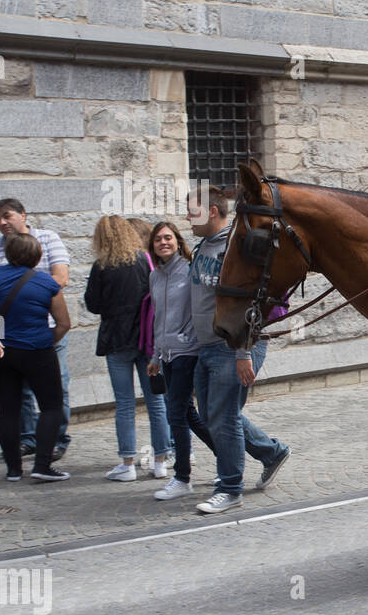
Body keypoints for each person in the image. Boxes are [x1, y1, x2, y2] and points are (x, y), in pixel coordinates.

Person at [188, 190, 291, 515]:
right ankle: (271, 452)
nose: (188, 218)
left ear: (212, 211)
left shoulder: (235, 248)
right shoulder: (202, 246)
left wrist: (243, 351)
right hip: (207, 346)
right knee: (212, 415)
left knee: (223, 417)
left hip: (234, 345)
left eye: (193, 212)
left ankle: (230, 488)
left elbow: (253, 299)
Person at [0, 233, 71, 482]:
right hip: (38, 351)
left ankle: (13, 469)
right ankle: (42, 465)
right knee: (51, 406)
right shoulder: (46, 283)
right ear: (38, 256)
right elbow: (63, 323)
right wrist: (46, 342)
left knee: (7, 410)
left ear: (8, 253)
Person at [0, 199, 72, 460]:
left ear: (23, 215)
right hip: (8, 333)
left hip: (46, 327)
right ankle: (27, 439)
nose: (2, 222)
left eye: (6, 216)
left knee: (57, 386)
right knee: (18, 393)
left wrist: (25, 290)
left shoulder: (47, 238)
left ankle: (56, 439)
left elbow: (60, 278)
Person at [85, 215, 173, 482]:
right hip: (147, 341)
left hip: (117, 341)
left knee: (124, 404)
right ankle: (160, 462)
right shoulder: (145, 262)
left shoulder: (101, 267)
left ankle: (127, 464)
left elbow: (93, 305)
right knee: (156, 402)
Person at [145, 220, 217, 501]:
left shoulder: (190, 269)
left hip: (188, 352)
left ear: (177, 241)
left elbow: (202, 307)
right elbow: (158, 318)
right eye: (157, 239)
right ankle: (226, 460)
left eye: (168, 238)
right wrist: (154, 354)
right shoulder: (155, 275)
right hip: (166, 355)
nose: (163, 242)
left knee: (175, 413)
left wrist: (193, 340)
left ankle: (182, 477)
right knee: (187, 414)